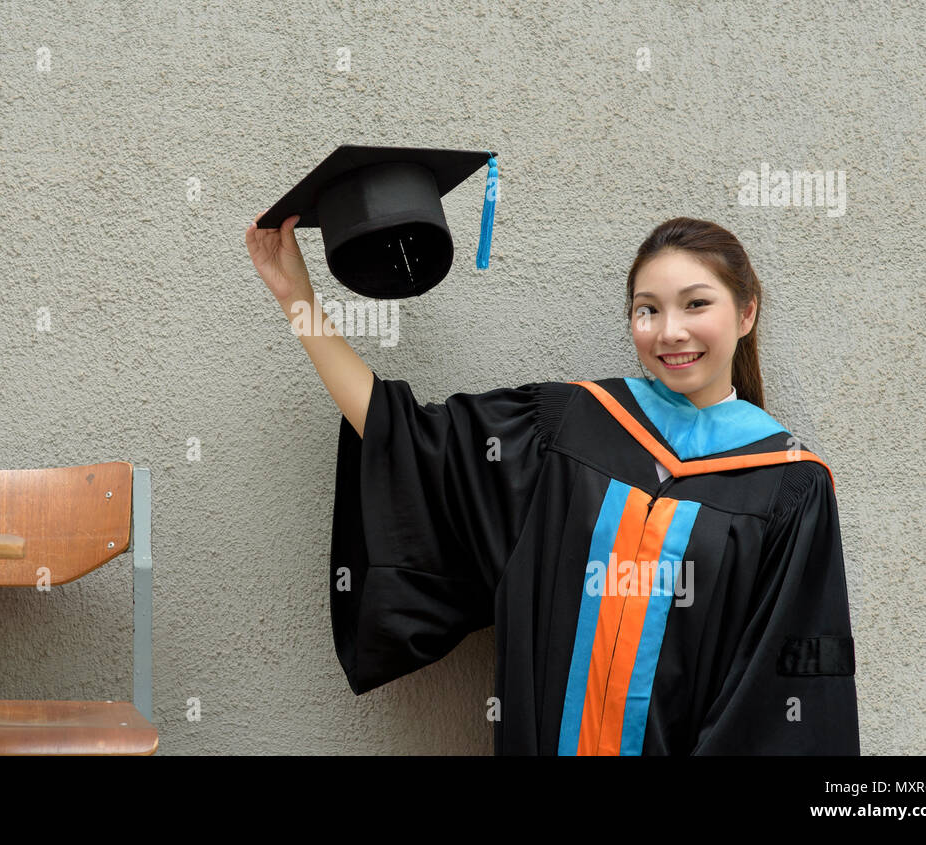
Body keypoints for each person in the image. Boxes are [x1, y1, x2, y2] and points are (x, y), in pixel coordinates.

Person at [247, 213, 860, 755]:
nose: (670, 331)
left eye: (696, 304)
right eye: (648, 309)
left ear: (746, 312)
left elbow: (792, 692)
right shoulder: (569, 427)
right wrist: (296, 298)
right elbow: (405, 441)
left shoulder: (789, 487)